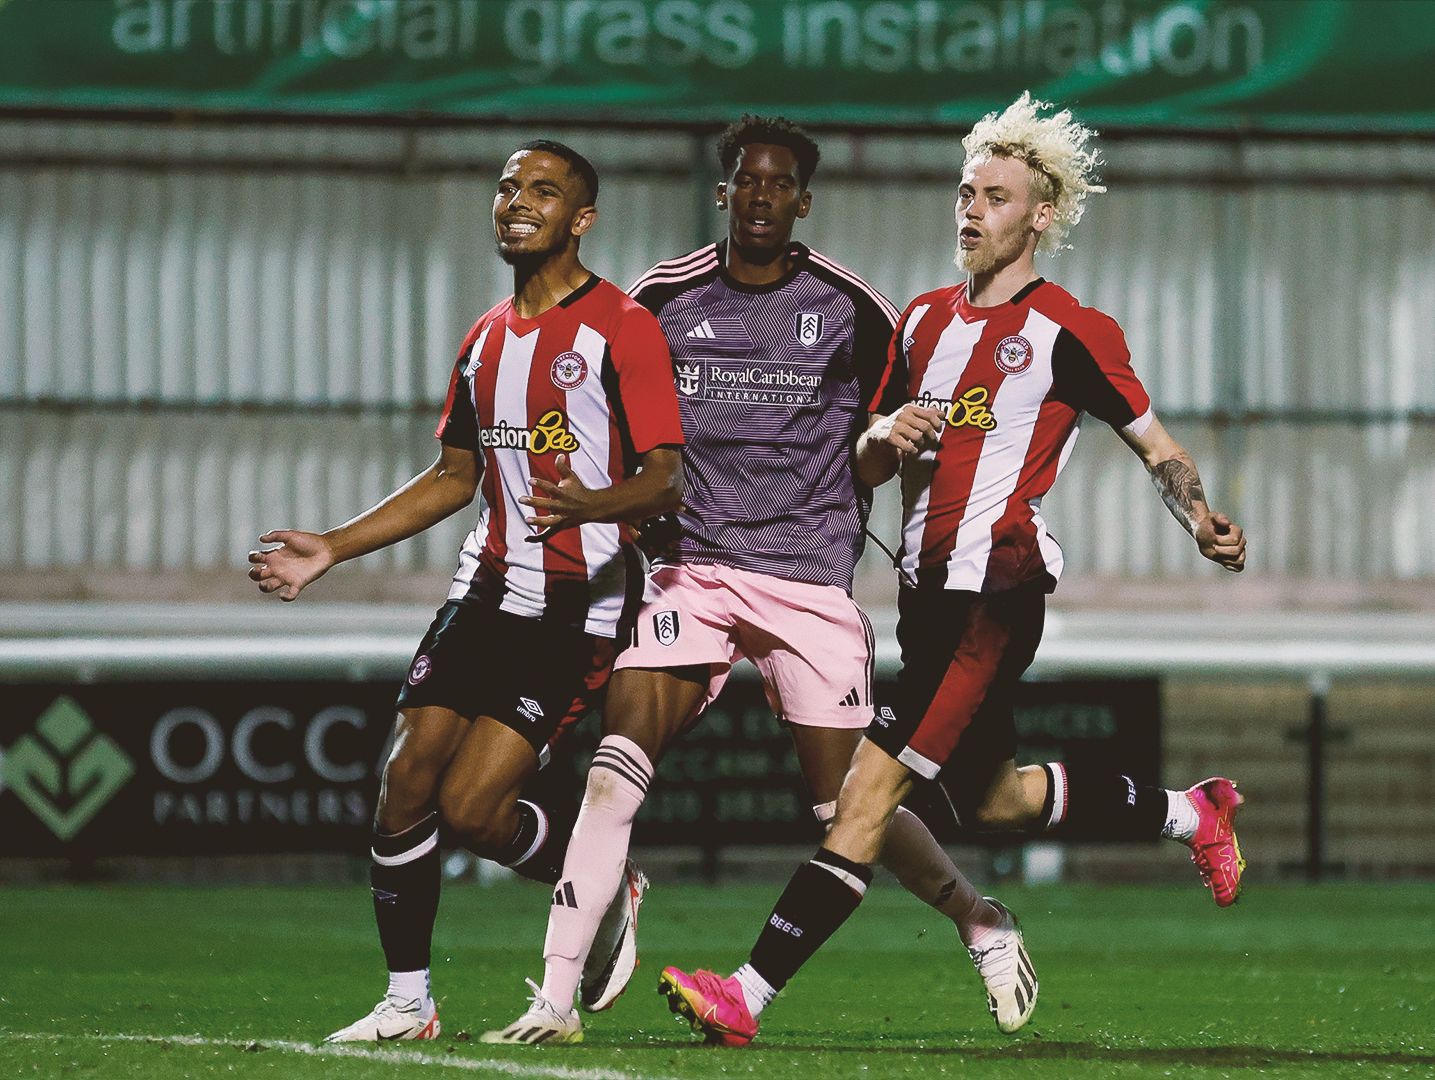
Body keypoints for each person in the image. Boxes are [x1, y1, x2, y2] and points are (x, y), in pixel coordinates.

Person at [657, 93, 1251, 1048]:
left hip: (999, 596)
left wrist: (1200, 519)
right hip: (927, 602)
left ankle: (746, 995)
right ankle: (1194, 812)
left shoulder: (1070, 331)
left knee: (867, 791)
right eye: (965, 193)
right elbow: (865, 461)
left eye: (996, 197)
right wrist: (887, 433)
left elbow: (1153, 443)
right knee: (994, 799)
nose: (970, 212)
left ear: (1040, 215)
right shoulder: (923, 323)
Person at [481, 116, 1032, 1047]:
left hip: (810, 582)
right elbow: (626, 421)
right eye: (747, 181)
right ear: (726, 189)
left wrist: (880, 456)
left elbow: (878, 451)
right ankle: (556, 997)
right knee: (616, 771)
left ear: (803, 201)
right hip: (692, 573)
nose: (762, 196)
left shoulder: (854, 308)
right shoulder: (663, 297)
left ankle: (979, 917)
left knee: (845, 806)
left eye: (780, 185)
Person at [248, 140, 686, 1043]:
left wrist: (594, 503)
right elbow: (453, 479)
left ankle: (604, 884)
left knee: (473, 812)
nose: (515, 202)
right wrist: (333, 546)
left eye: (542, 190)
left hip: (578, 610)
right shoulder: (486, 338)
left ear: (582, 218)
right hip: (483, 593)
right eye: (506, 187)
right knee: (403, 780)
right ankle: (409, 1002)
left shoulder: (622, 328)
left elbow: (667, 479)